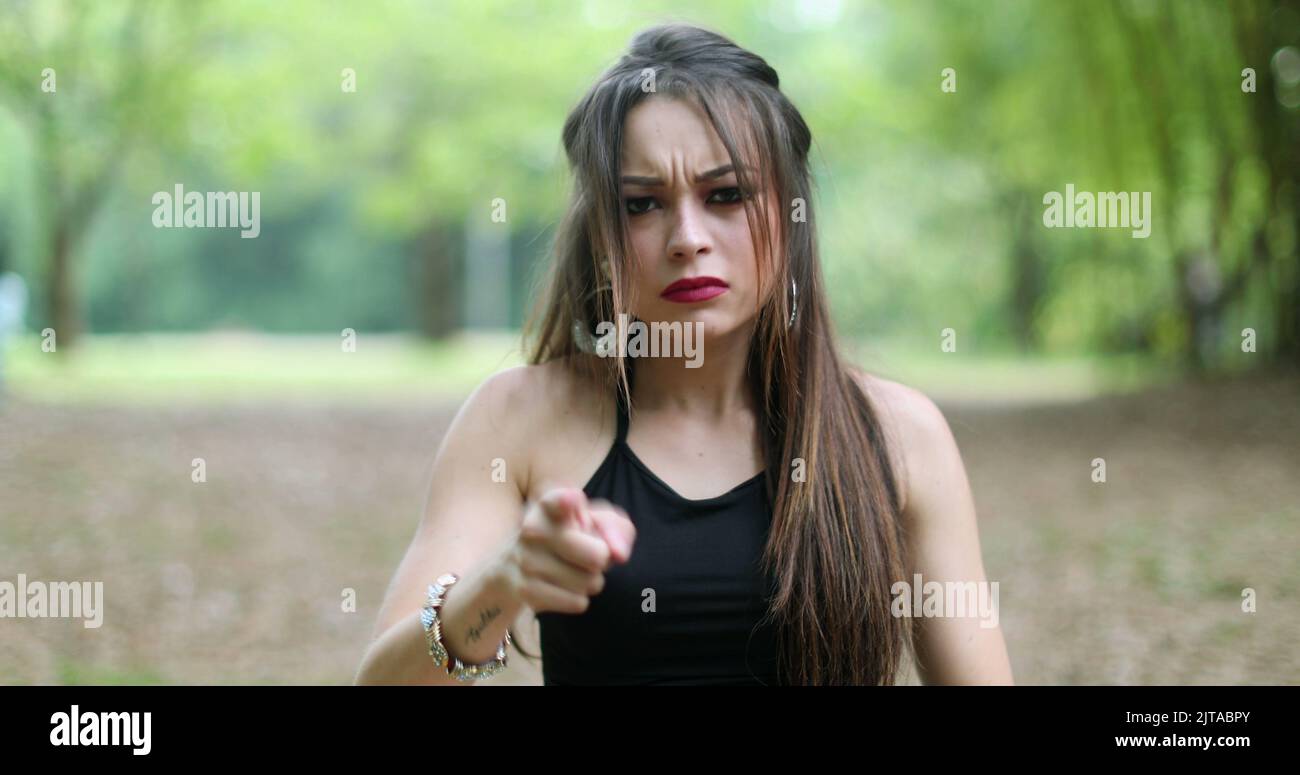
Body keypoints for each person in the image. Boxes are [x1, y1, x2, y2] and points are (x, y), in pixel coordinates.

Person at [356, 23, 1013, 685]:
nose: (687, 237)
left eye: (726, 195)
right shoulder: (517, 419)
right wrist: (502, 582)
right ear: (604, 239)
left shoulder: (900, 435)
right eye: (642, 204)